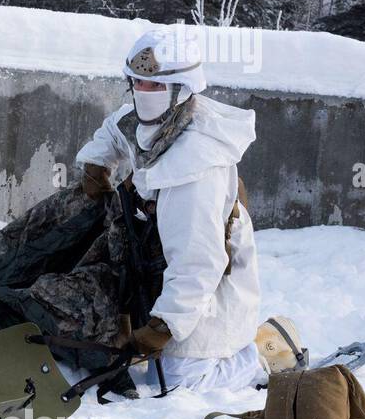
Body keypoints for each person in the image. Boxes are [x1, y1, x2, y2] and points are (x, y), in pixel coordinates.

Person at [75, 27, 263, 392]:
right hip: (157, 257)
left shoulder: (195, 169)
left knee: (179, 382)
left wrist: (164, 328)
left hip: (210, 289)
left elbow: (199, 263)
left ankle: (257, 360)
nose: (144, 94)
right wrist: (95, 164)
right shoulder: (150, 120)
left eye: (155, 86)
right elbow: (116, 129)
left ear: (182, 90)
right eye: (138, 84)